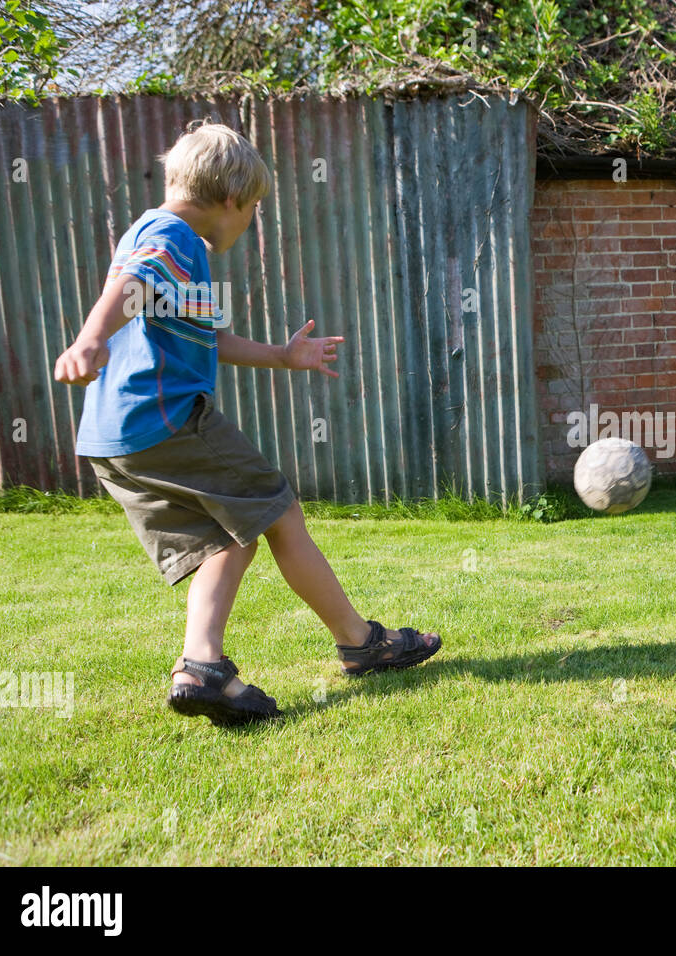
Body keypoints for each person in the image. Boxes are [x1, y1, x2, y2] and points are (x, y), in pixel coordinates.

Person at [53, 122, 440, 726]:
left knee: (229, 535)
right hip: (168, 421)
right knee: (277, 510)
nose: (251, 219)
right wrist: (89, 340)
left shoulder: (168, 243)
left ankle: (202, 668)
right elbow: (129, 283)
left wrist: (282, 357)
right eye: (255, 207)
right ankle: (361, 643)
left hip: (112, 442)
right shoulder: (174, 235)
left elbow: (210, 338)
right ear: (232, 197)